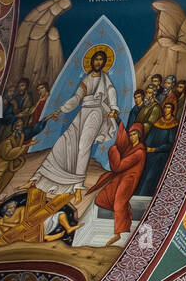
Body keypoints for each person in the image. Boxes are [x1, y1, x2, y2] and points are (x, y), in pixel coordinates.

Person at [30, 48, 120, 197]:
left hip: (96, 112)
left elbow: (111, 92)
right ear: (92, 61)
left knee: (83, 145)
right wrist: (61, 110)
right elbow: (77, 98)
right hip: (83, 112)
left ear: (104, 62)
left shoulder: (105, 79)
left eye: (100, 60)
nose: (98, 62)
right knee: (65, 141)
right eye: (96, 59)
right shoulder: (86, 79)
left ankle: (78, 186)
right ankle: (41, 176)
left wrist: (114, 108)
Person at [90, 123, 147, 246]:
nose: (131, 137)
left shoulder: (139, 152)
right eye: (130, 135)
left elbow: (119, 166)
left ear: (139, 136)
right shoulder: (131, 149)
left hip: (129, 180)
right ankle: (125, 213)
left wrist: (113, 151)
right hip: (120, 177)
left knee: (118, 203)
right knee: (102, 198)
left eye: (134, 135)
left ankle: (119, 233)